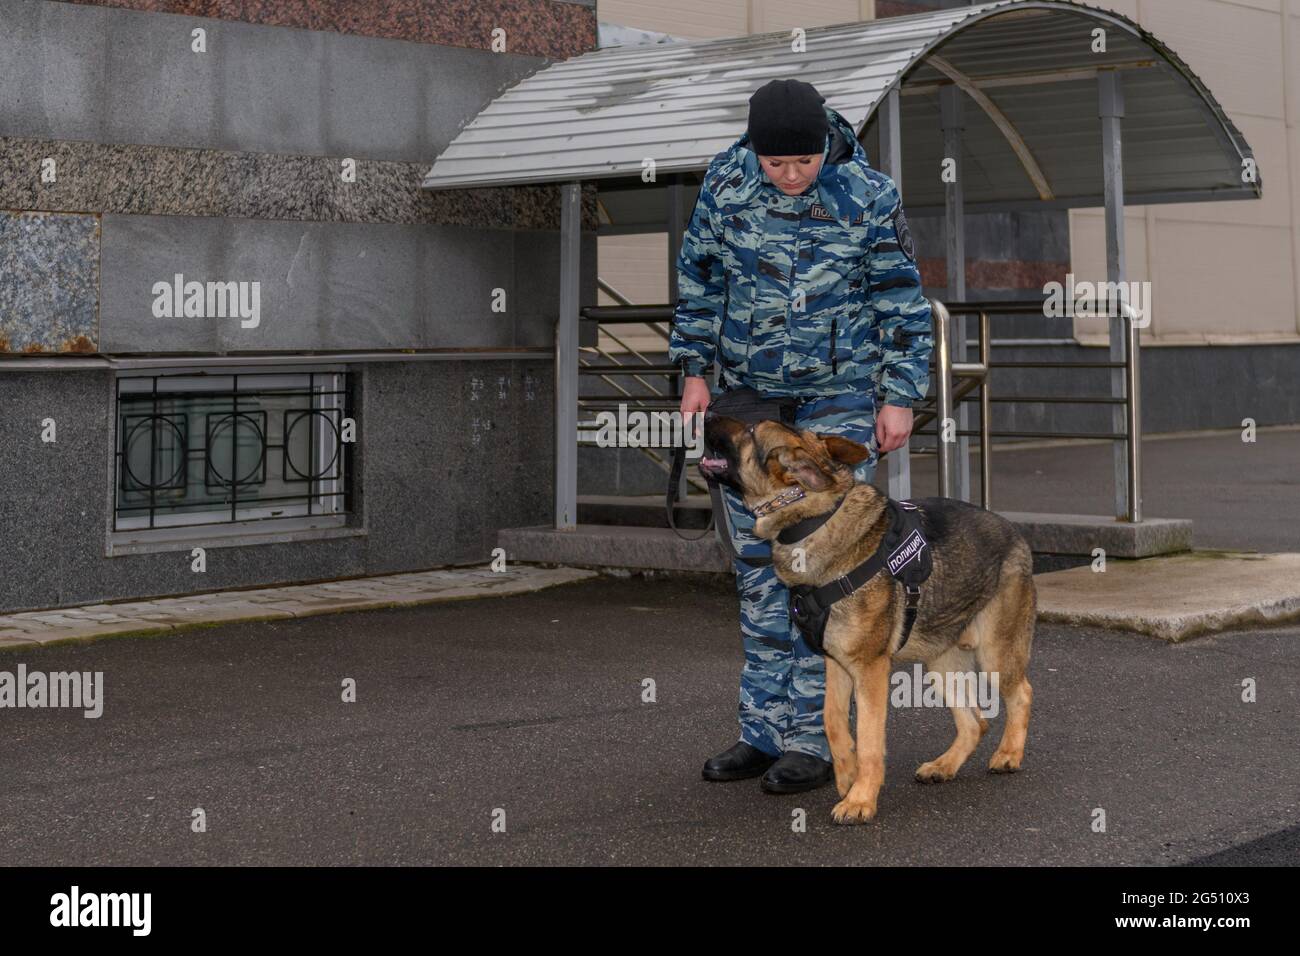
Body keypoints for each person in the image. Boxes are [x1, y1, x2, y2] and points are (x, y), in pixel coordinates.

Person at [669, 78, 933, 794]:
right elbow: (698, 282)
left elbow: (901, 299)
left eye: (803, 163)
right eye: (776, 165)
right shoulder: (725, 184)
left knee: (830, 567)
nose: (790, 177)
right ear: (754, 153)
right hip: (749, 398)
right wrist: (693, 372)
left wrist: (901, 396)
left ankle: (820, 739)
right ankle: (764, 730)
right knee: (760, 565)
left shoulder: (868, 194)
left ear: (825, 145)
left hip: (838, 397)